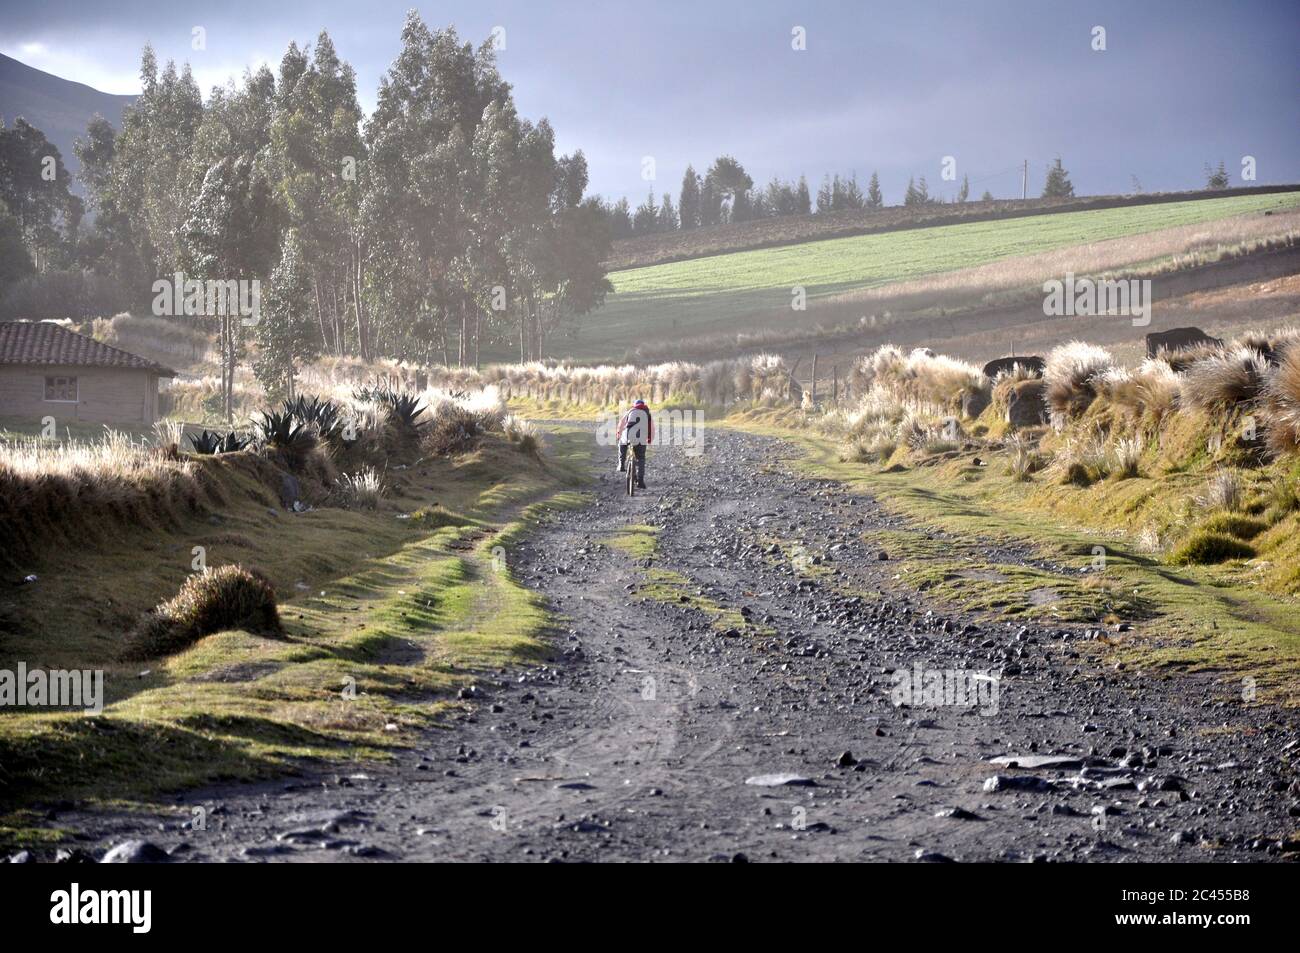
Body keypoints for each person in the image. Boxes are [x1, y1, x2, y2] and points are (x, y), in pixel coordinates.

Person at [616, 398, 653, 489]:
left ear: (634, 405)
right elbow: (651, 428)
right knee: (641, 458)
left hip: (629, 435)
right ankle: (640, 481)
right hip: (641, 438)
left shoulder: (630, 411)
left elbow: (621, 424)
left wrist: (618, 434)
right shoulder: (647, 414)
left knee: (622, 443)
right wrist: (649, 439)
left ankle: (621, 464)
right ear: (644, 405)